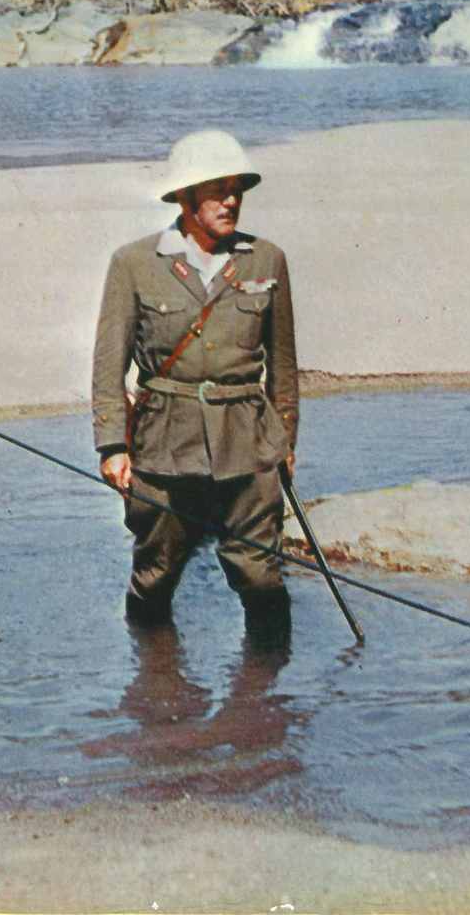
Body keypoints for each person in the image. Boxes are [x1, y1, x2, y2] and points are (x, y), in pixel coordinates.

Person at [91, 129, 299, 637]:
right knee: (156, 571)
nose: (231, 200)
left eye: (237, 190)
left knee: (259, 573)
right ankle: (152, 693)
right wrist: (113, 446)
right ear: (185, 197)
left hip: (247, 442)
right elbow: (108, 364)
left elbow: (285, 366)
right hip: (165, 443)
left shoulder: (266, 260)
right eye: (217, 189)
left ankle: (269, 703)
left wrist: (285, 445)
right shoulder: (135, 263)